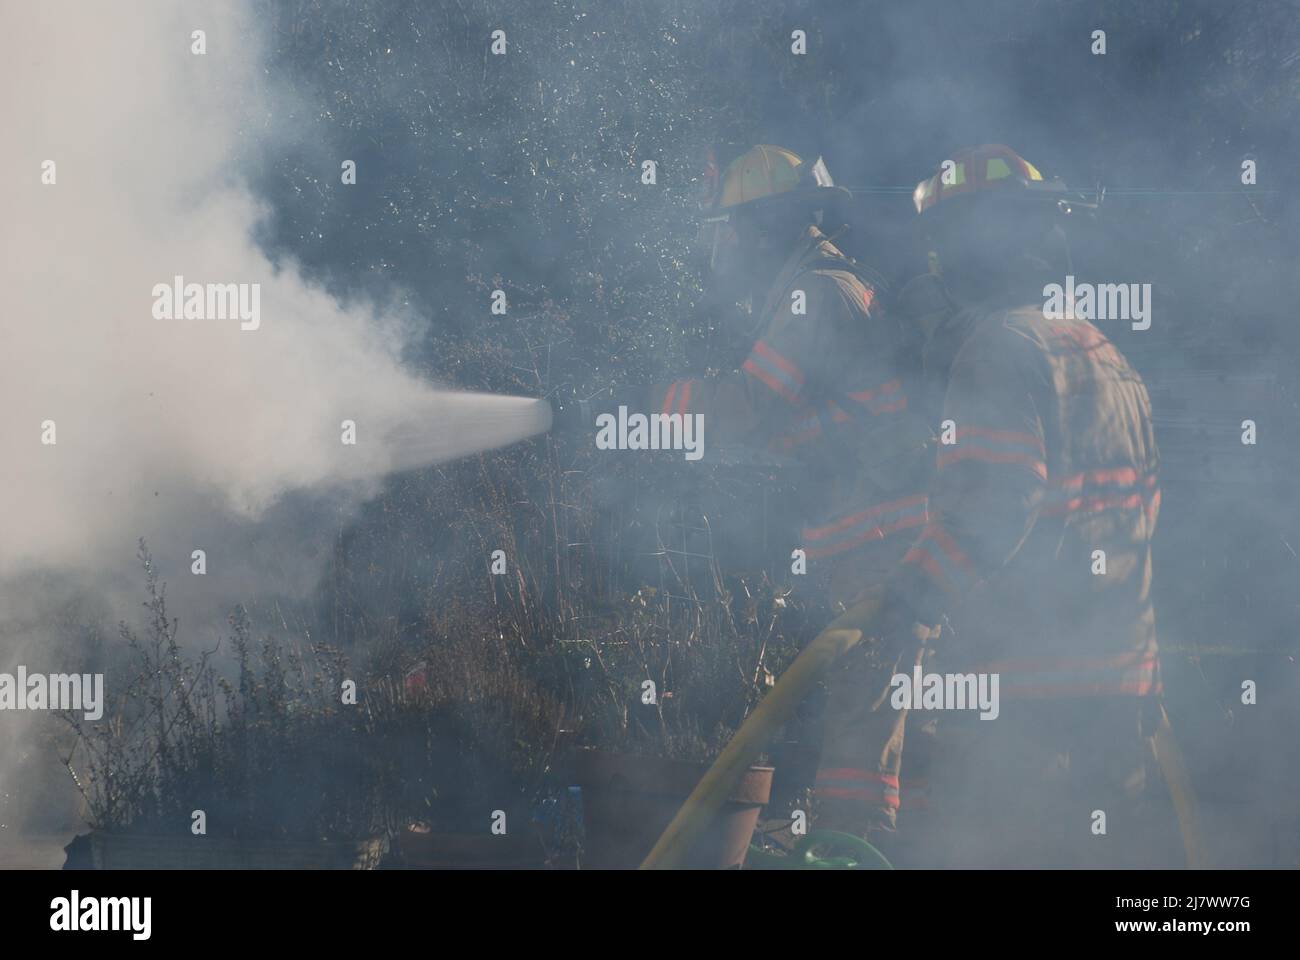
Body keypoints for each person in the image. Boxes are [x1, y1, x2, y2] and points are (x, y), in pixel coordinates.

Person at [827, 145, 1183, 866]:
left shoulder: (998, 347)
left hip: (1030, 709)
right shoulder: (1105, 351)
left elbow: (996, 505)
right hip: (1120, 686)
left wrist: (910, 597)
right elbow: (1141, 506)